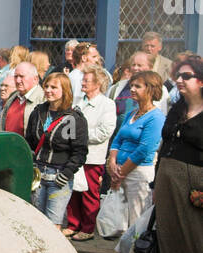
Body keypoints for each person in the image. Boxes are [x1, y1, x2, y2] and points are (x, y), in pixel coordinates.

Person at [142, 55, 203, 253]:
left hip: (195, 185)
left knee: (195, 241)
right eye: (178, 76)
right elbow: (164, 146)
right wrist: (156, 183)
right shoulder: (176, 108)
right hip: (167, 179)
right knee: (167, 236)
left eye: (186, 76)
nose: (179, 80)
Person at [27, 71, 88, 226]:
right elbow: (29, 142)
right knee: (36, 221)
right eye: (46, 86)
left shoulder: (73, 118)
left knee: (53, 224)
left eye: (53, 87)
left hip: (59, 177)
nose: (48, 90)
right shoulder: (38, 112)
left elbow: (79, 152)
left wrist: (66, 174)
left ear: (65, 90)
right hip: (38, 175)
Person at [63, 65, 116, 241]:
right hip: (73, 154)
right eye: (83, 79)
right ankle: (72, 224)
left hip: (92, 157)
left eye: (86, 80)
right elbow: (68, 124)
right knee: (72, 190)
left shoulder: (107, 104)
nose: (82, 82)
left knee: (89, 193)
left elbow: (104, 132)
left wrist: (80, 137)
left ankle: (87, 227)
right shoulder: (77, 101)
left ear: (98, 83)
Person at [107, 71, 165, 227]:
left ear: (151, 90)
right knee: (121, 222)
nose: (132, 89)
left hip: (138, 175)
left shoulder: (156, 117)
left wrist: (120, 173)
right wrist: (112, 161)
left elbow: (144, 150)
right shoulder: (132, 113)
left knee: (136, 222)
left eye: (137, 86)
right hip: (120, 171)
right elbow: (117, 139)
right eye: (131, 85)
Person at [1, 61, 43, 137]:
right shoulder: (13, 97)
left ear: (35, 79)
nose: (17, 80)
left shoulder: (43, 99)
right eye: (16, 76)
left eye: (21, 76)